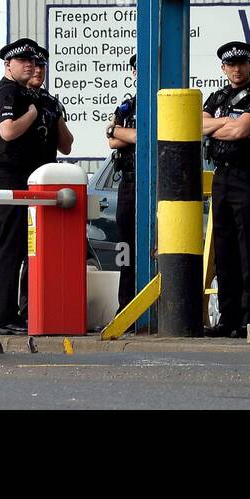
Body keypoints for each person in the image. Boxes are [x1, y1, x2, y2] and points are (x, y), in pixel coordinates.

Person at [201, 41, 250, 337]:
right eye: (230, 65)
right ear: (223, 68)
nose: (236, 69)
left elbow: (241, 129)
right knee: (225, 247)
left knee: (249, 247)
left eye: (241, 63)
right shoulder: (217, 96)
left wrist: (219, 125)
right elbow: (197, 124)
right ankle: (228, 318)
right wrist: (225, 122)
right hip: (222, 174)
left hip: (248, 173)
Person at [0, 38, 46, 335]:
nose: (30, 66)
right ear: (8, 65)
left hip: (6, 173)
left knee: (5, 246)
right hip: (7, 174)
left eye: (33, 62)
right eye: (24, 62)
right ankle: (3, 316)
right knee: (10, 247)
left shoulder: (2, 92)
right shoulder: (9, 92)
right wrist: (32, 114)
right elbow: (6, 132)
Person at [106, 53, 138, 309]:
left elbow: (147, 136)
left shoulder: (162, 103)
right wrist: (119, 132)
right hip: (128, 183)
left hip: (155, 183)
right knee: (126, 248)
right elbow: (112, 139)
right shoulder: (127, 107)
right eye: (137, 69)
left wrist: (118, 131)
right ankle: (125, 306)